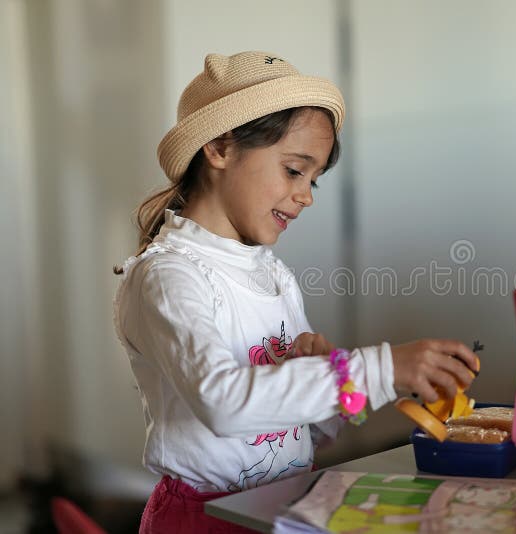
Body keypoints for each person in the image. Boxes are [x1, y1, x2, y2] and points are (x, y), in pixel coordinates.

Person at [113, 51, 480, 533]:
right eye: (293, 170)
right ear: (220, 148)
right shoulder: (168, 277)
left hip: (283, 505)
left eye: (313, 179)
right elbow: (222, 403)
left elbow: (305, 429)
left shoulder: (274, 277)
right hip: (204, 520)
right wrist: (380, 367)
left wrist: (363, 380)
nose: (306, 195)